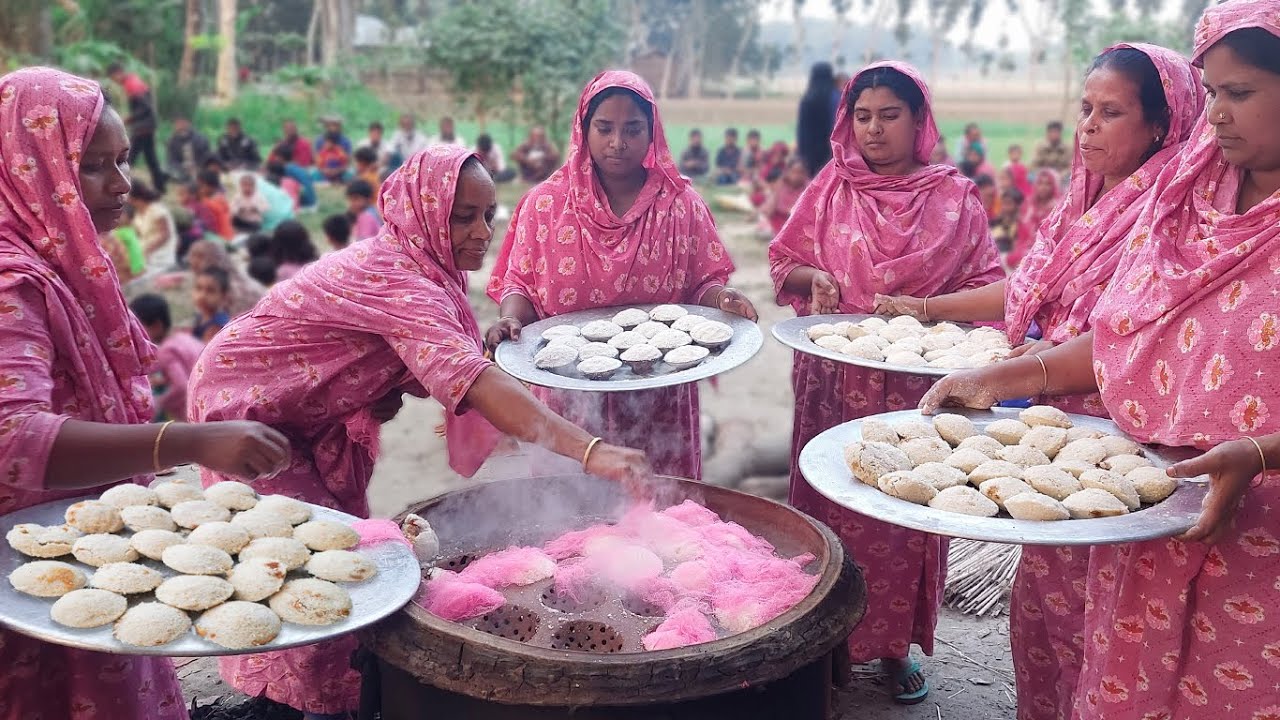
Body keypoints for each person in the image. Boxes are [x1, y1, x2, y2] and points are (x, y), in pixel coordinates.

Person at [188, 145, 651, 719]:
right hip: (248, 411)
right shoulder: (401, 281)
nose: (481, 232)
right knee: (308, 567)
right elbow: (473, 382)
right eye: (462, 217)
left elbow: (432, 352)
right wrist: (590, 450)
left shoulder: (427, 268)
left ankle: (301, 703)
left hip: (305, 413)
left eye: (488, 215)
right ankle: (297, 708)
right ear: (424, 211)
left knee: (331, 552)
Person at [924, 8, 1280, 718]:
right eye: (1210, 93)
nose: (1217, 116)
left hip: (1256, 535)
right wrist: (999, 378)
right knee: (1121, 686)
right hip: (1144, 514)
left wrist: (1258, 453)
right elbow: (1124, 336)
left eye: (1239, 94)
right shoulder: (1188, 200)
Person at [873, 43, 1203, 720]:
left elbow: (1122, 338)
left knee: (1105, 623)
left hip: (1120, 440)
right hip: (1052, 426)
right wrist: (928, 310)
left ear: (1161, 128)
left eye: (1111, 112)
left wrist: (1001, 374)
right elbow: (1025, 288)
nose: (1087, 126)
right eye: (1085, 108)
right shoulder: (1085, 201)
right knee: (1044, 612)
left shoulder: (1171, 214)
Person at [0, 66, 287, 720]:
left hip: (85, 554)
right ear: (30, 167)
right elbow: (11, 439)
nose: (123, 185)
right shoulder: (11, 283)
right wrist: (184, 441)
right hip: (31, 583)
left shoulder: (55, 263)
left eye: (124, 160)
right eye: (95, 165)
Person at [768, 61, 1004, 704]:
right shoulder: (831, 187)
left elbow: (987, 288)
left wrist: (924, 313)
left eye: (889, 115)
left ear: (919, 120)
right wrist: (809, 281)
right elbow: (782, 262)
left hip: (913, 390)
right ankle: (826, 646)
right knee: (832, 505)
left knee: (906, 512)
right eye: (862, 116)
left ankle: (893, 647)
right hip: (833, 380)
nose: (873, 130)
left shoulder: (954, 197)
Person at [486, 70, 756, 479]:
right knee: (571, 522)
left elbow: (702, 282)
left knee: (663, 515)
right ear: (583, 128)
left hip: (660, 393)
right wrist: (510, 317)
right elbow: (519, 282)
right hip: (568, 396)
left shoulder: (680, 206)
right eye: (604, 128)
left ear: (652, 133)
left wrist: (720, 300)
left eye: (633, 128)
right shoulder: (545, 205)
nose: (618, 142)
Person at [129, 293, 204, 422]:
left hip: (196, 410)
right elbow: (188, 370)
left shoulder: (166, 351)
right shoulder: (182, 338)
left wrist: (159, 403)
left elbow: (181, 387)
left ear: (157, 326)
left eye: (138, 329)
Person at [107, 62, 165, 193]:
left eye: (113, 78)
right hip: (147, 125)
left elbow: (145, 107)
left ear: (118, 73)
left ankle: (118, 185)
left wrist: (130, 118)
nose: (115, 81)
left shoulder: (132, 84)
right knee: (150, 158)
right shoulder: (134, 82)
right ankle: (160, 186)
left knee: (129, 156)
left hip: (143, 127)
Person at [185, 239, 266, 316]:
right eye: (193, 255)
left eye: (200, 256)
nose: (194, 261)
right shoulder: (208, 281)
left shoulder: (233, 287)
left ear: (215, 258)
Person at [1009, 168, 1061, 269]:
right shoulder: (1029, 204)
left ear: (1054, 186)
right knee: (1015, 258)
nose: (1043, 187)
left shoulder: (1058, 206)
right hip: (1027, 245)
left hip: (1048, 248)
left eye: (1048, 184)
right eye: (1040, 183)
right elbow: (1022, 232)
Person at [796, 61, 837, 175]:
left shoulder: (807, 99)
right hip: (832, 151)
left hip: (811, 153)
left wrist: (802, 153)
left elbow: (802, 130)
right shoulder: (835, 97)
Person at [129, 181, 177, 272]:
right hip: (144, 250)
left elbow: (165, 235)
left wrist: (145, 252)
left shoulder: (156, 210)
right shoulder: (138, 212)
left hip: (160, 254)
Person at [759, 157, 811, 235]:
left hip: (800, 226)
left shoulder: (810, 188)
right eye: (793, 172)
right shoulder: (781, 185)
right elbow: (768, 211)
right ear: (787, 172)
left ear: (805, 174)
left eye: (800, 172)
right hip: (778, 223)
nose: (796, 176)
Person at [165, 116, 212, 183]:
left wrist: (197, 166)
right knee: (166, 170)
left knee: (208, 171)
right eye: (177, 123)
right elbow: (171, 160)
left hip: (198, 167)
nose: (180, 126)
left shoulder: (201, 138)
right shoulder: (171, 141)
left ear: (189, 124)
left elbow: (207, 156)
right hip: (182, 169)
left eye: (182, 123)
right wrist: (182, 168)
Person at [191, 266, 231, 342]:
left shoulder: (216, 327)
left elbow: (203, 352)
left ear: (224, 296)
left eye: (210, 290)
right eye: (198, 288)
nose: (202, 296)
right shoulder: (200, 316)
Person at [273, 144, 317, 209]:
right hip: (312, 201)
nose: (275, 159)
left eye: (276, 157)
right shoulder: (295, 166)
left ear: (280, 158)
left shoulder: (287, 169)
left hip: (305, 202)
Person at [196, 169, 234, 240]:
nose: (199, 189)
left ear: (213, 187)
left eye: (201, 186)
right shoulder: (221, 198)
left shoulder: (208, 203)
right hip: (228, 236)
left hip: (220, 239)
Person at [990, 186, 1025, 258]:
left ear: (1018, 206)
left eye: (1009, 203)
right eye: (1003, 203)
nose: (1005, 207)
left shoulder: (1021, 226)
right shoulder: (994, 223)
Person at [345, 178, 383, 243]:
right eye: (350, 199)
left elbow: (363, 243)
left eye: (356, 199)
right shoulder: (372, 211)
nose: (352, 203)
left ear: (368, 199)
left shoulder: (366, 216)